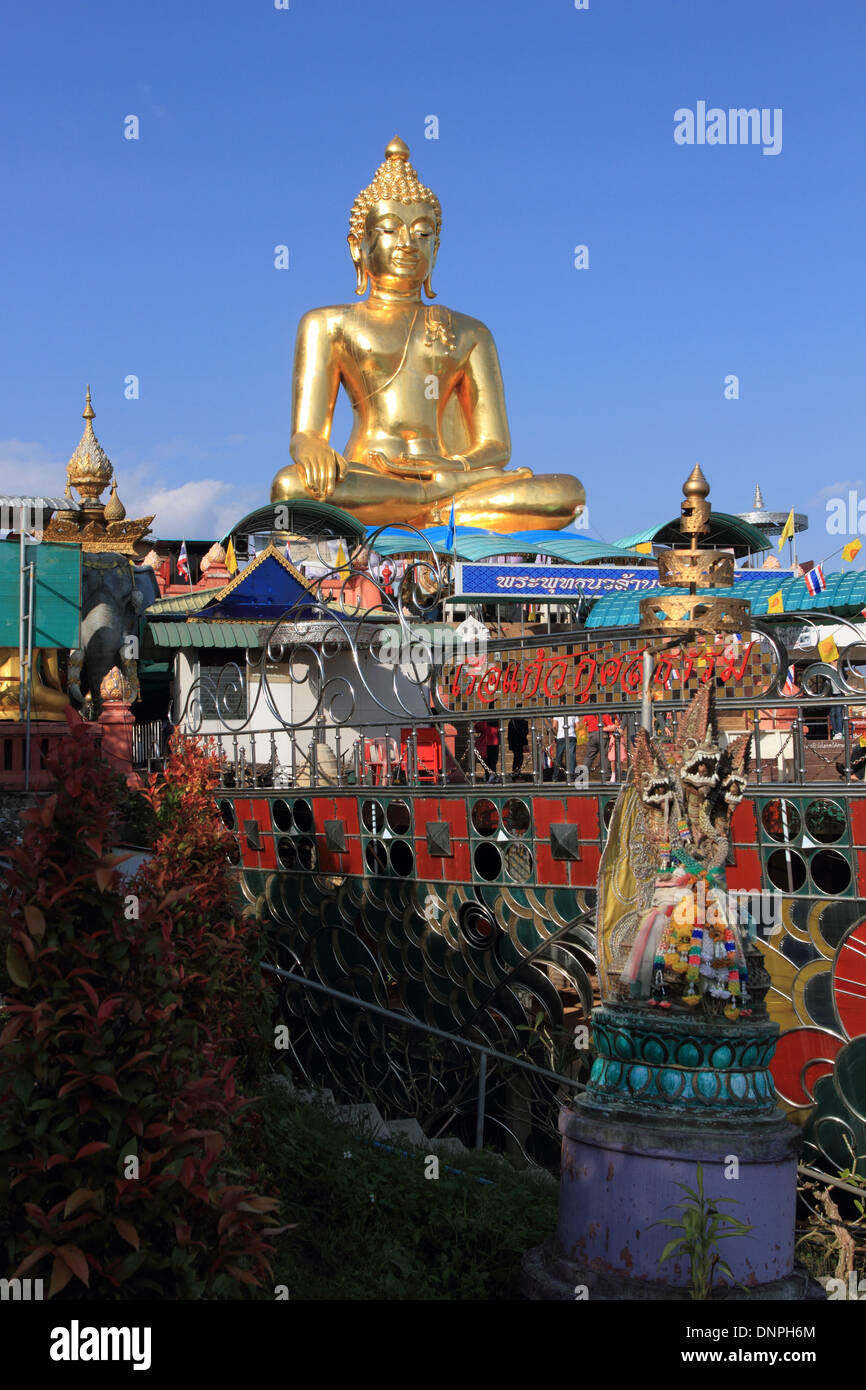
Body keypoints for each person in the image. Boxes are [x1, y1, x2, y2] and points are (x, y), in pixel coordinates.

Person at [270, 138, 584, 532]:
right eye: (389, 230)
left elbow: (497, 445)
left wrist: (455, 468)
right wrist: (311, 446)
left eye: (422, 234)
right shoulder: (328, 323)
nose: (407, 244)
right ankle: (431, 509)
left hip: (451, 476)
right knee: (290, 487)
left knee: (565, 493)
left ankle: (431, 509)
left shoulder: (471, 331)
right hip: (369, 476)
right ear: (358, 246)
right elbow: (306, 433)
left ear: (436, 247)